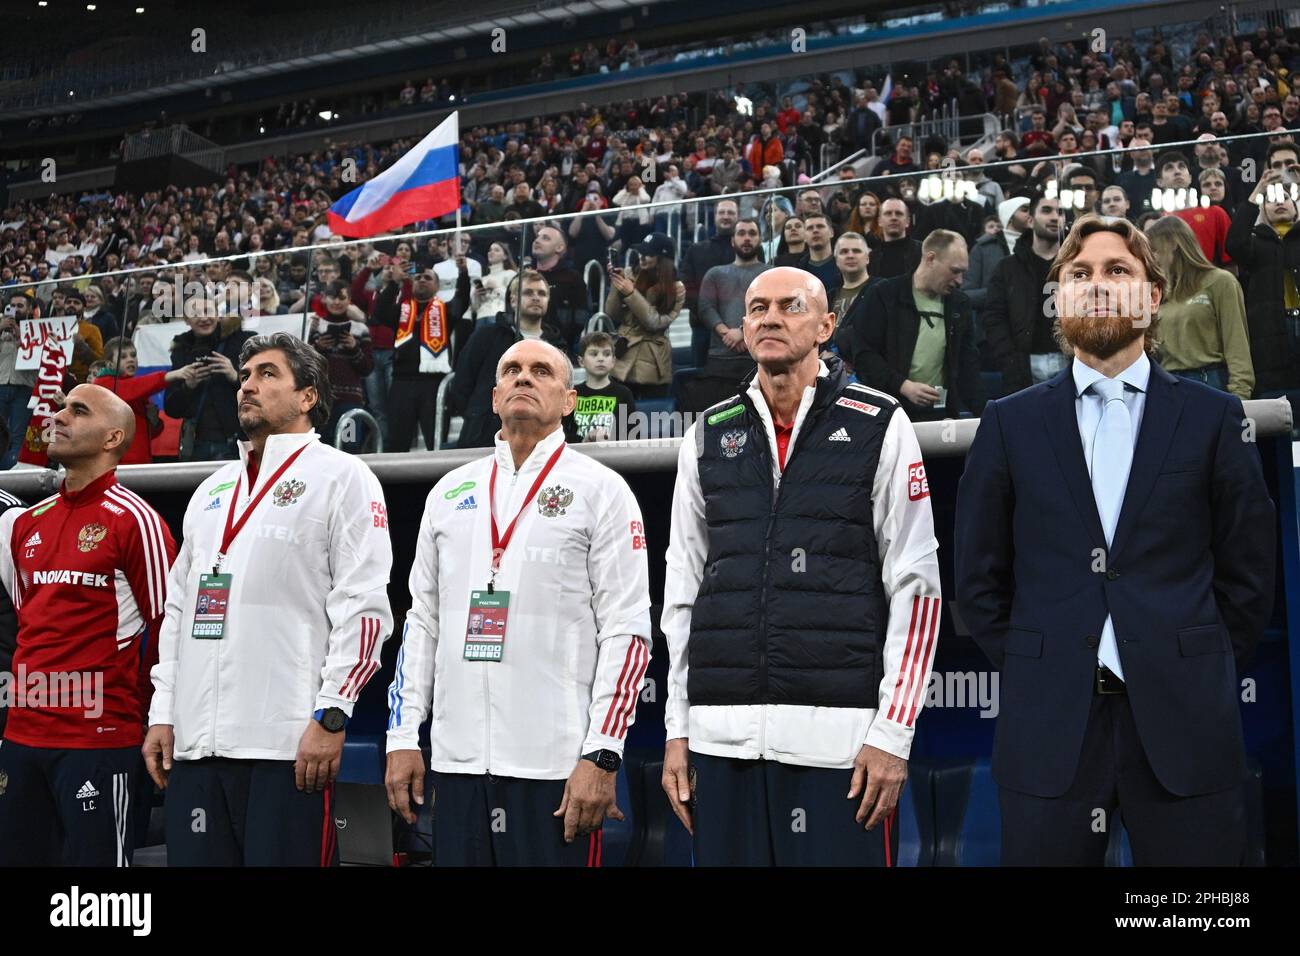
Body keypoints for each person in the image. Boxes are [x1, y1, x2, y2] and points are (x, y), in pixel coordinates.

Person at [955, 214, 1275, 865]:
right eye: (1079, 274)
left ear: (1152, 296)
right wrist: (1036, 664)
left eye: (1117, 270)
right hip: (1050, 731)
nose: (1096, 285)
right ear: (1059, 297)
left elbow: (1249, 572)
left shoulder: (1214, 419)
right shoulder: (1009, 424)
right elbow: (977, 580)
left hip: (1185, 727)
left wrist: (1192, 658)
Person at [660, 266, 942, 866]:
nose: (769, 317)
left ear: (826, 325)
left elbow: (917, 587)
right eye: (757, 307)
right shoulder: (707, 434)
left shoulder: (880, 423)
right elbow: (682, 591)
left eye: (790, 306)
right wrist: (678, 729)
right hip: (720, 740)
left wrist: (892, 734)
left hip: (839, 747)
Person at [385, 338, 652, 866]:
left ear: (570, 400)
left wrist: (602, 752)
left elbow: (627, 631)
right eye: (512, 369)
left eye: (542, 371)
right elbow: (423, 624)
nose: (524, 378)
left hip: (556, 768)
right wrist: (401, 735)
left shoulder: (603, 490)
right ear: (494, 396)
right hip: (458, 763)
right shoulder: (448, 493)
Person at [143, 333, 394, 867]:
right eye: (245, 375)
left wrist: (332, 715)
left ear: (308, 396)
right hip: (196, 747)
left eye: (266, 374)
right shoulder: (211, 491)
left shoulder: (344, 477)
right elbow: (179, 613)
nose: (247, 386)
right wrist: (164, 712)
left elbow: (365, 610)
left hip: (287, 749)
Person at [0, 384, 177, 865]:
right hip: (21, 735)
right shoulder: (25, 523)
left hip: (99, 739)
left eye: (78, 411)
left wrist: (145, 716)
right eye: (61, 408)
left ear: (112, 437)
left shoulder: (137, 520)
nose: (59, 417)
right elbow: (29, 620)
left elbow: (168, 629)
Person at [837, 230, 983, 421]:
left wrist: (986, 416)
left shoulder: (960, 303)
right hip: (888, 414)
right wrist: (903, 386)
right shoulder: (884, 294)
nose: (959, 281)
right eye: (954, 271)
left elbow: (968, 366)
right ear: (931, 259)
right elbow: (864, 355)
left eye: (963, 273)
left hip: (941, 416)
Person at [454, 270, 569, 448]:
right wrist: (479, 417)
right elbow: (462, 384)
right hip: (483, 438)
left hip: (542, 442)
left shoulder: (557, 346)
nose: (536, 297)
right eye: (528, 292)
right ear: (513, 301)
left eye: (542, 293)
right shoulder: (487, 335)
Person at [1144, 215, 1252, 399]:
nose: (1151, 258)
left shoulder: (1220, 281)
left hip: (1210, 383)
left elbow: (1236, 342)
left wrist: (1240, 396)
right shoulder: (1157, 292)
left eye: (1154, 250)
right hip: (1167, 386)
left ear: (1173, 243)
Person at [372, 260, 472, 453]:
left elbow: (462, 299)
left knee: (436, 443)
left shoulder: (446, 310)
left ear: (437, 286)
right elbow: (380, 312)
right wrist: (394, 283)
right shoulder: (402, 310)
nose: (422, 280)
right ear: (413, 283)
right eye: (418, 278)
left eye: (428, 278)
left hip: (434, 385)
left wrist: (463, 273)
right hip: (401, 383)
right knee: (397, 444)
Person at [1225, 166, 1300, 419]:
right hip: (1271, 336)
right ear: (1263, 210)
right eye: (1271, 200)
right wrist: (1258, 189)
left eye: (1286, 198)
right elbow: (1234, 243)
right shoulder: (1256, 244)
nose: (1279, 203)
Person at [982, 195, 1066, 393]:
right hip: (1022, 365)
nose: (1055, 217)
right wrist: (1009, 359)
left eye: (1060, 212)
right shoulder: (1007, 268)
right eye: (1046, 211)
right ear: (1030, 220)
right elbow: (994, 317)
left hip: (1070, 360)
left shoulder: (1078, 266)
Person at [165, 296, 255, 462]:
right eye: (196, 313)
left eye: (208, 311)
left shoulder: (244, 342)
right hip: (198, 444)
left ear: (218, 314)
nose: (203, 318)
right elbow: (171, 409)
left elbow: (263, 391)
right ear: (186, 320)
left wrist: (235, 375)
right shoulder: (181, 350)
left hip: (240, 440)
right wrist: (188, 387)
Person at [605, 232, 684, 400]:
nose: (642, 257)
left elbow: (655, 323)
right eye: (641, 252)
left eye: (649, 254)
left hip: (654, 362)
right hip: (623, 354)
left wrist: (631, 293)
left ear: (662, 259)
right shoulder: (629, 274)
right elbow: (612, 313)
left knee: (652, 418)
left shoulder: (677, 288)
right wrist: (616, 284)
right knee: (619, 417)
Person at [94, 338, 198, 464]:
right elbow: (133, 387)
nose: (130, 359)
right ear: (109, 363)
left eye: (133, 355)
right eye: (123, 357)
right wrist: (174, 374)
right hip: (119, 465)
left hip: (140, 463)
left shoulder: (136, 390)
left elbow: (149, 433)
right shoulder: (104, 383)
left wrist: (154, 422)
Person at [308, 281, 375, 452]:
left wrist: (354, 348)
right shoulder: (314, 327)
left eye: (341, 297)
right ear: (324, 299)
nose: (336, 302)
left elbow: (367, 368)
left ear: (349, 300)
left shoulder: (361, 329)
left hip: (350, 402)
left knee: (350, 446)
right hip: (320, 401)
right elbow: (304, 367)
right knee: (322, 449)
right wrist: (318, 348)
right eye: (332, 297)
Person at [681, 199, 739, 368]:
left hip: (739, 330)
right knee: (700, 377)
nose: (726, 216)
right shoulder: (696, 250)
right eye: (722, 212)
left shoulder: (748, 252)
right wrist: (710, 318)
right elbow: (686, 286)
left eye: (731, 213)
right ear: (715, 216)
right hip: (702, 327)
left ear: (738, 216)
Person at [563, 331, 637, 443]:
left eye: (606, 354)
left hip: (613, 456)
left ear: (613, 361)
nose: (601, 358)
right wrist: (583, 440)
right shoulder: (573, 393)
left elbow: (632, 434)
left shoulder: (624, 393)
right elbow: (562, 432)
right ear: (581, 361)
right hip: (579, 455)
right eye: (594, 354)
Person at [0, 292, 38, 469]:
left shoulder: (37, 330)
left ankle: (10, 477)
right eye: (12, 306)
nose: (15, 310)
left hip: (24, 388)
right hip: (0, 385)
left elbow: (39, 358)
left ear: (29, 309)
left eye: (20, 306)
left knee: (17, 435)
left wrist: (22, 338)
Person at [872, 199, 923, 279]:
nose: (894, 218)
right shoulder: (871, 258)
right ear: (879, 221)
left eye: (899, 213)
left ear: (908, 221)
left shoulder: (922, 252)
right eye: (888, 213)